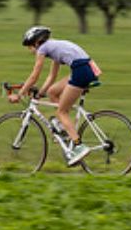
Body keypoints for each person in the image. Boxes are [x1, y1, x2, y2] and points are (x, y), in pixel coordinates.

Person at [8, 26, 102, 166]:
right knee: (53, 91)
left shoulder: (43, 49)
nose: (30, 51)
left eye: (29, 47)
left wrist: (19, 95)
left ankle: (78, 145)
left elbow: (34, 76)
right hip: (87, 69)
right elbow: (52, 76)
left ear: (36, 42)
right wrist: (40, 93)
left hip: (81, 70)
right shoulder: (54, 47)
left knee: (61, 112)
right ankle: (65, 129)